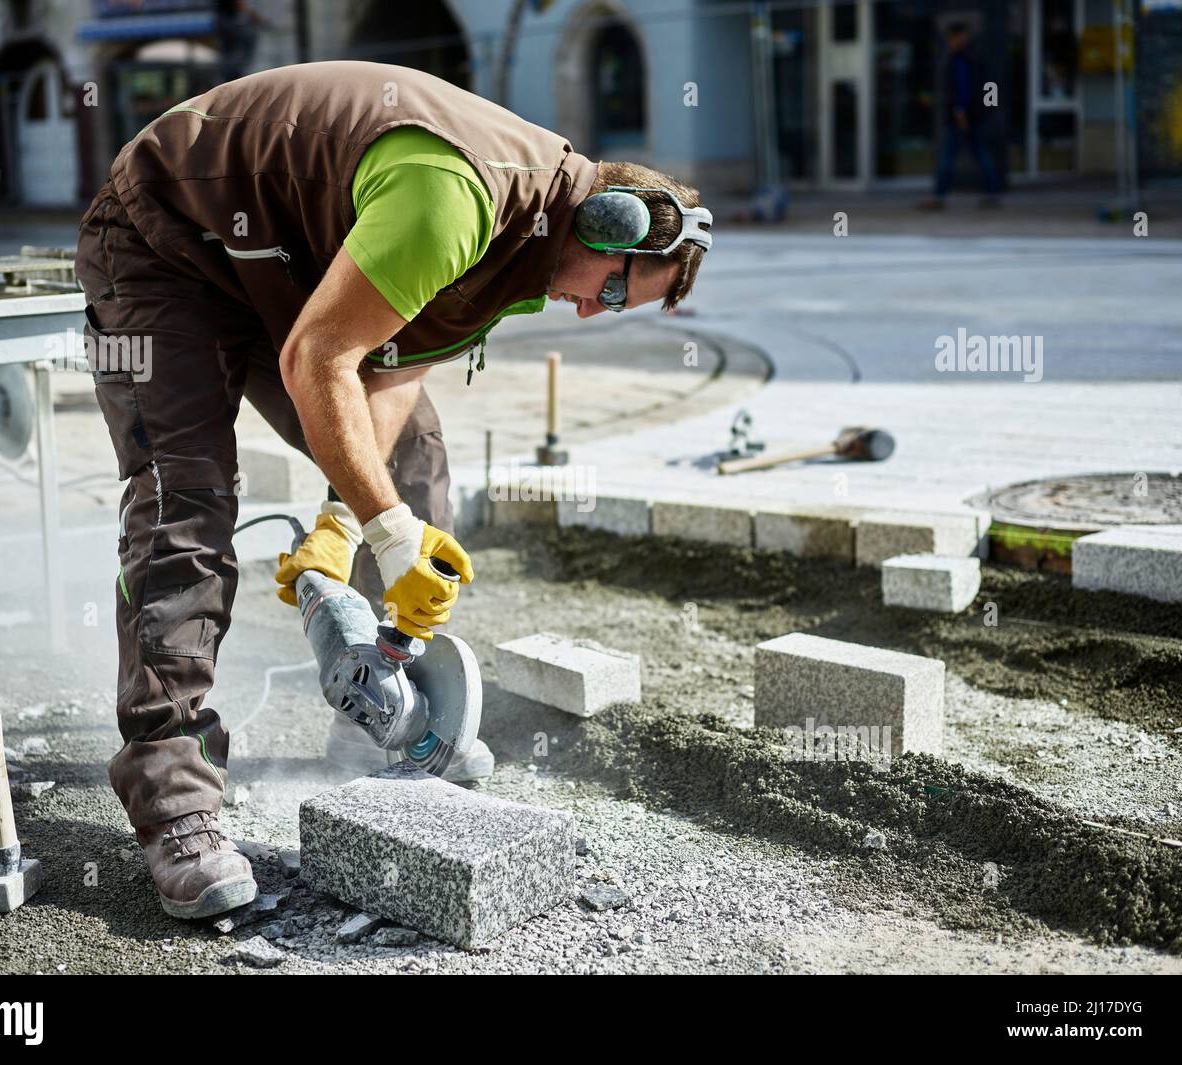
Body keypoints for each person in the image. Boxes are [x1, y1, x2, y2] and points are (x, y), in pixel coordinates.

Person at [74, 61, 711, 919]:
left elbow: (395, 360)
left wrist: (350, 516)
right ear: (607, 226)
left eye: (618, 307)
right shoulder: (459, 199)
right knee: (185, 498)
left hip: (279, 259)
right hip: (165, 238)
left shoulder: (530, 249)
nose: (596, 311)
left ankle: (377, 708)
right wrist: (389, 534)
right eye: (611, 287)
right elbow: (318, 358)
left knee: (412, 458)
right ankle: (174, 799)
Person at [920, 22, 1000, 209]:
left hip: (964, 117)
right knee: (976, 155)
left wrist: (963, 112)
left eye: (957, 37)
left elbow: (967, 90)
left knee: (954, 157)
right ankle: (990, 193)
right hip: (967, 116)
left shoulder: (963, 60)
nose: (954, 41)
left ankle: (940, 196)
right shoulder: (961, 59)